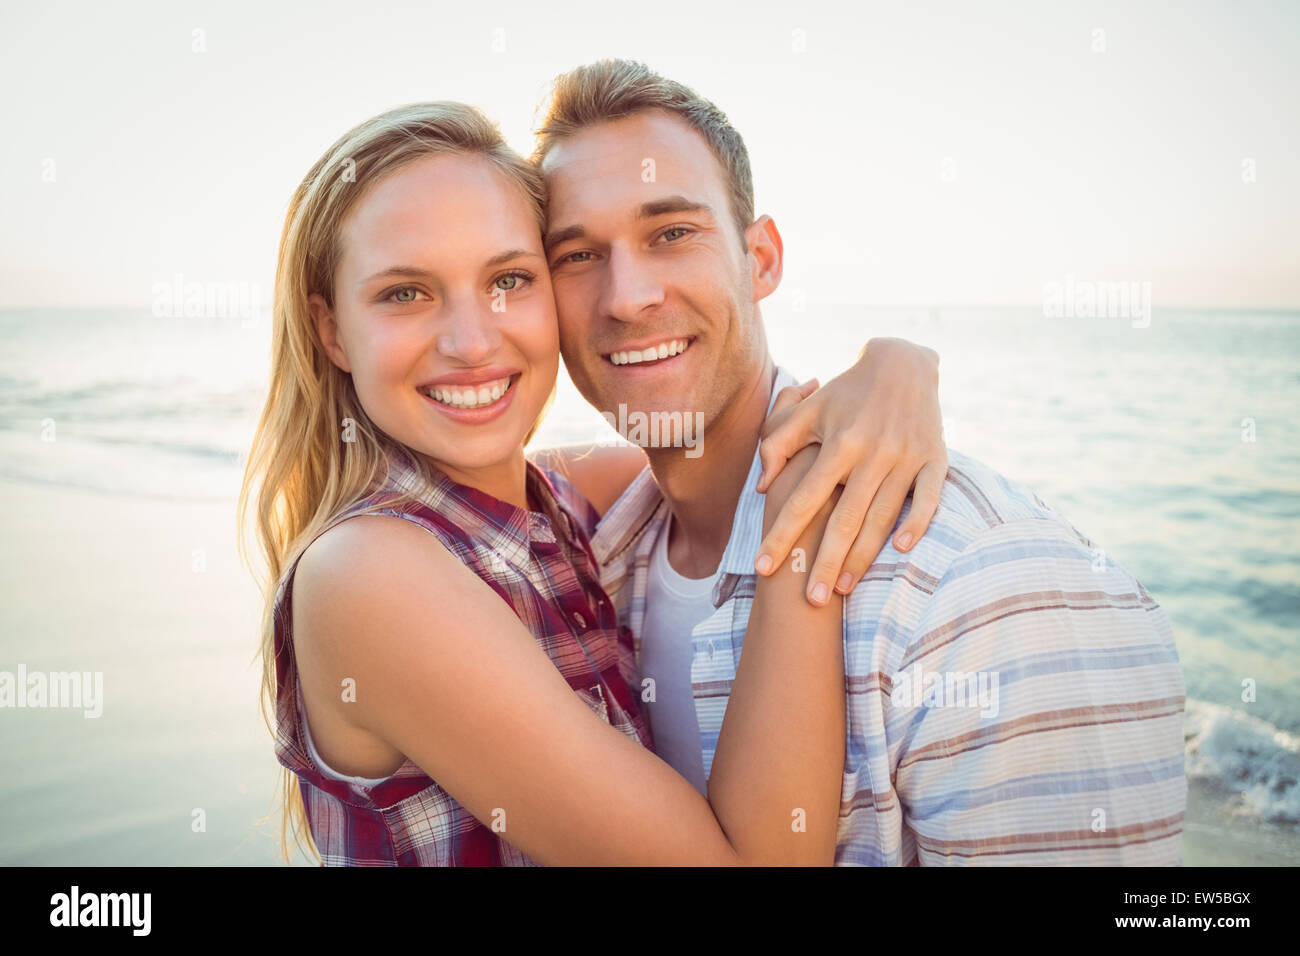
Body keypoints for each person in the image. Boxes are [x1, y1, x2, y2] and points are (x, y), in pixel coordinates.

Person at [238, 100, 949, 865]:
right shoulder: (369, 575)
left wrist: (899, 367)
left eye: (509, 278)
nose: (473, 341)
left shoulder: (544, 501)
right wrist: (801, 515)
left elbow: (712, 447)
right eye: (405, 293)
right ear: (332, 330)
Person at [532, 59, 1189, 864]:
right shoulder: (594, 558)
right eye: (577, 255)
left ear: (762, 259)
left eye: (671, 233)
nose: (627, 296)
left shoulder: (979, 581)